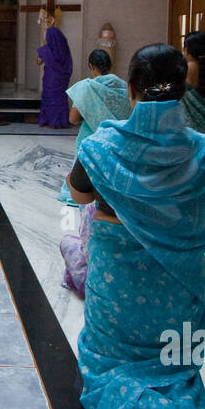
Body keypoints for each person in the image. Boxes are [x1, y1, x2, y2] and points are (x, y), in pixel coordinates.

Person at [66, 43, 205, 409]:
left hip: (119, 297)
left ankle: (140, 407)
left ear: (132, 89)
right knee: (172, 369)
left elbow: (77, 195)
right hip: (175, 302)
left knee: (111, 362)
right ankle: (170, 404)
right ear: (182, 90)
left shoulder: (103, 145)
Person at [58, 49, 132, 295]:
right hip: (121, 148)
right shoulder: (124, 87)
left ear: (91, 66)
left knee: (82, 194)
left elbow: (72, 118)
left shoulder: (88, 87)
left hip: (92, 143)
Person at [36, 14, 73, 128]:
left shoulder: (46, 50)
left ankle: (51, 121)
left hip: (51, 78)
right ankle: (61, 121)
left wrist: (44, 46)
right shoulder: (64, 49)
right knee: (61, 98)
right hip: (62, 77)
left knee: (50, 98)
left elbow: (38, 62)